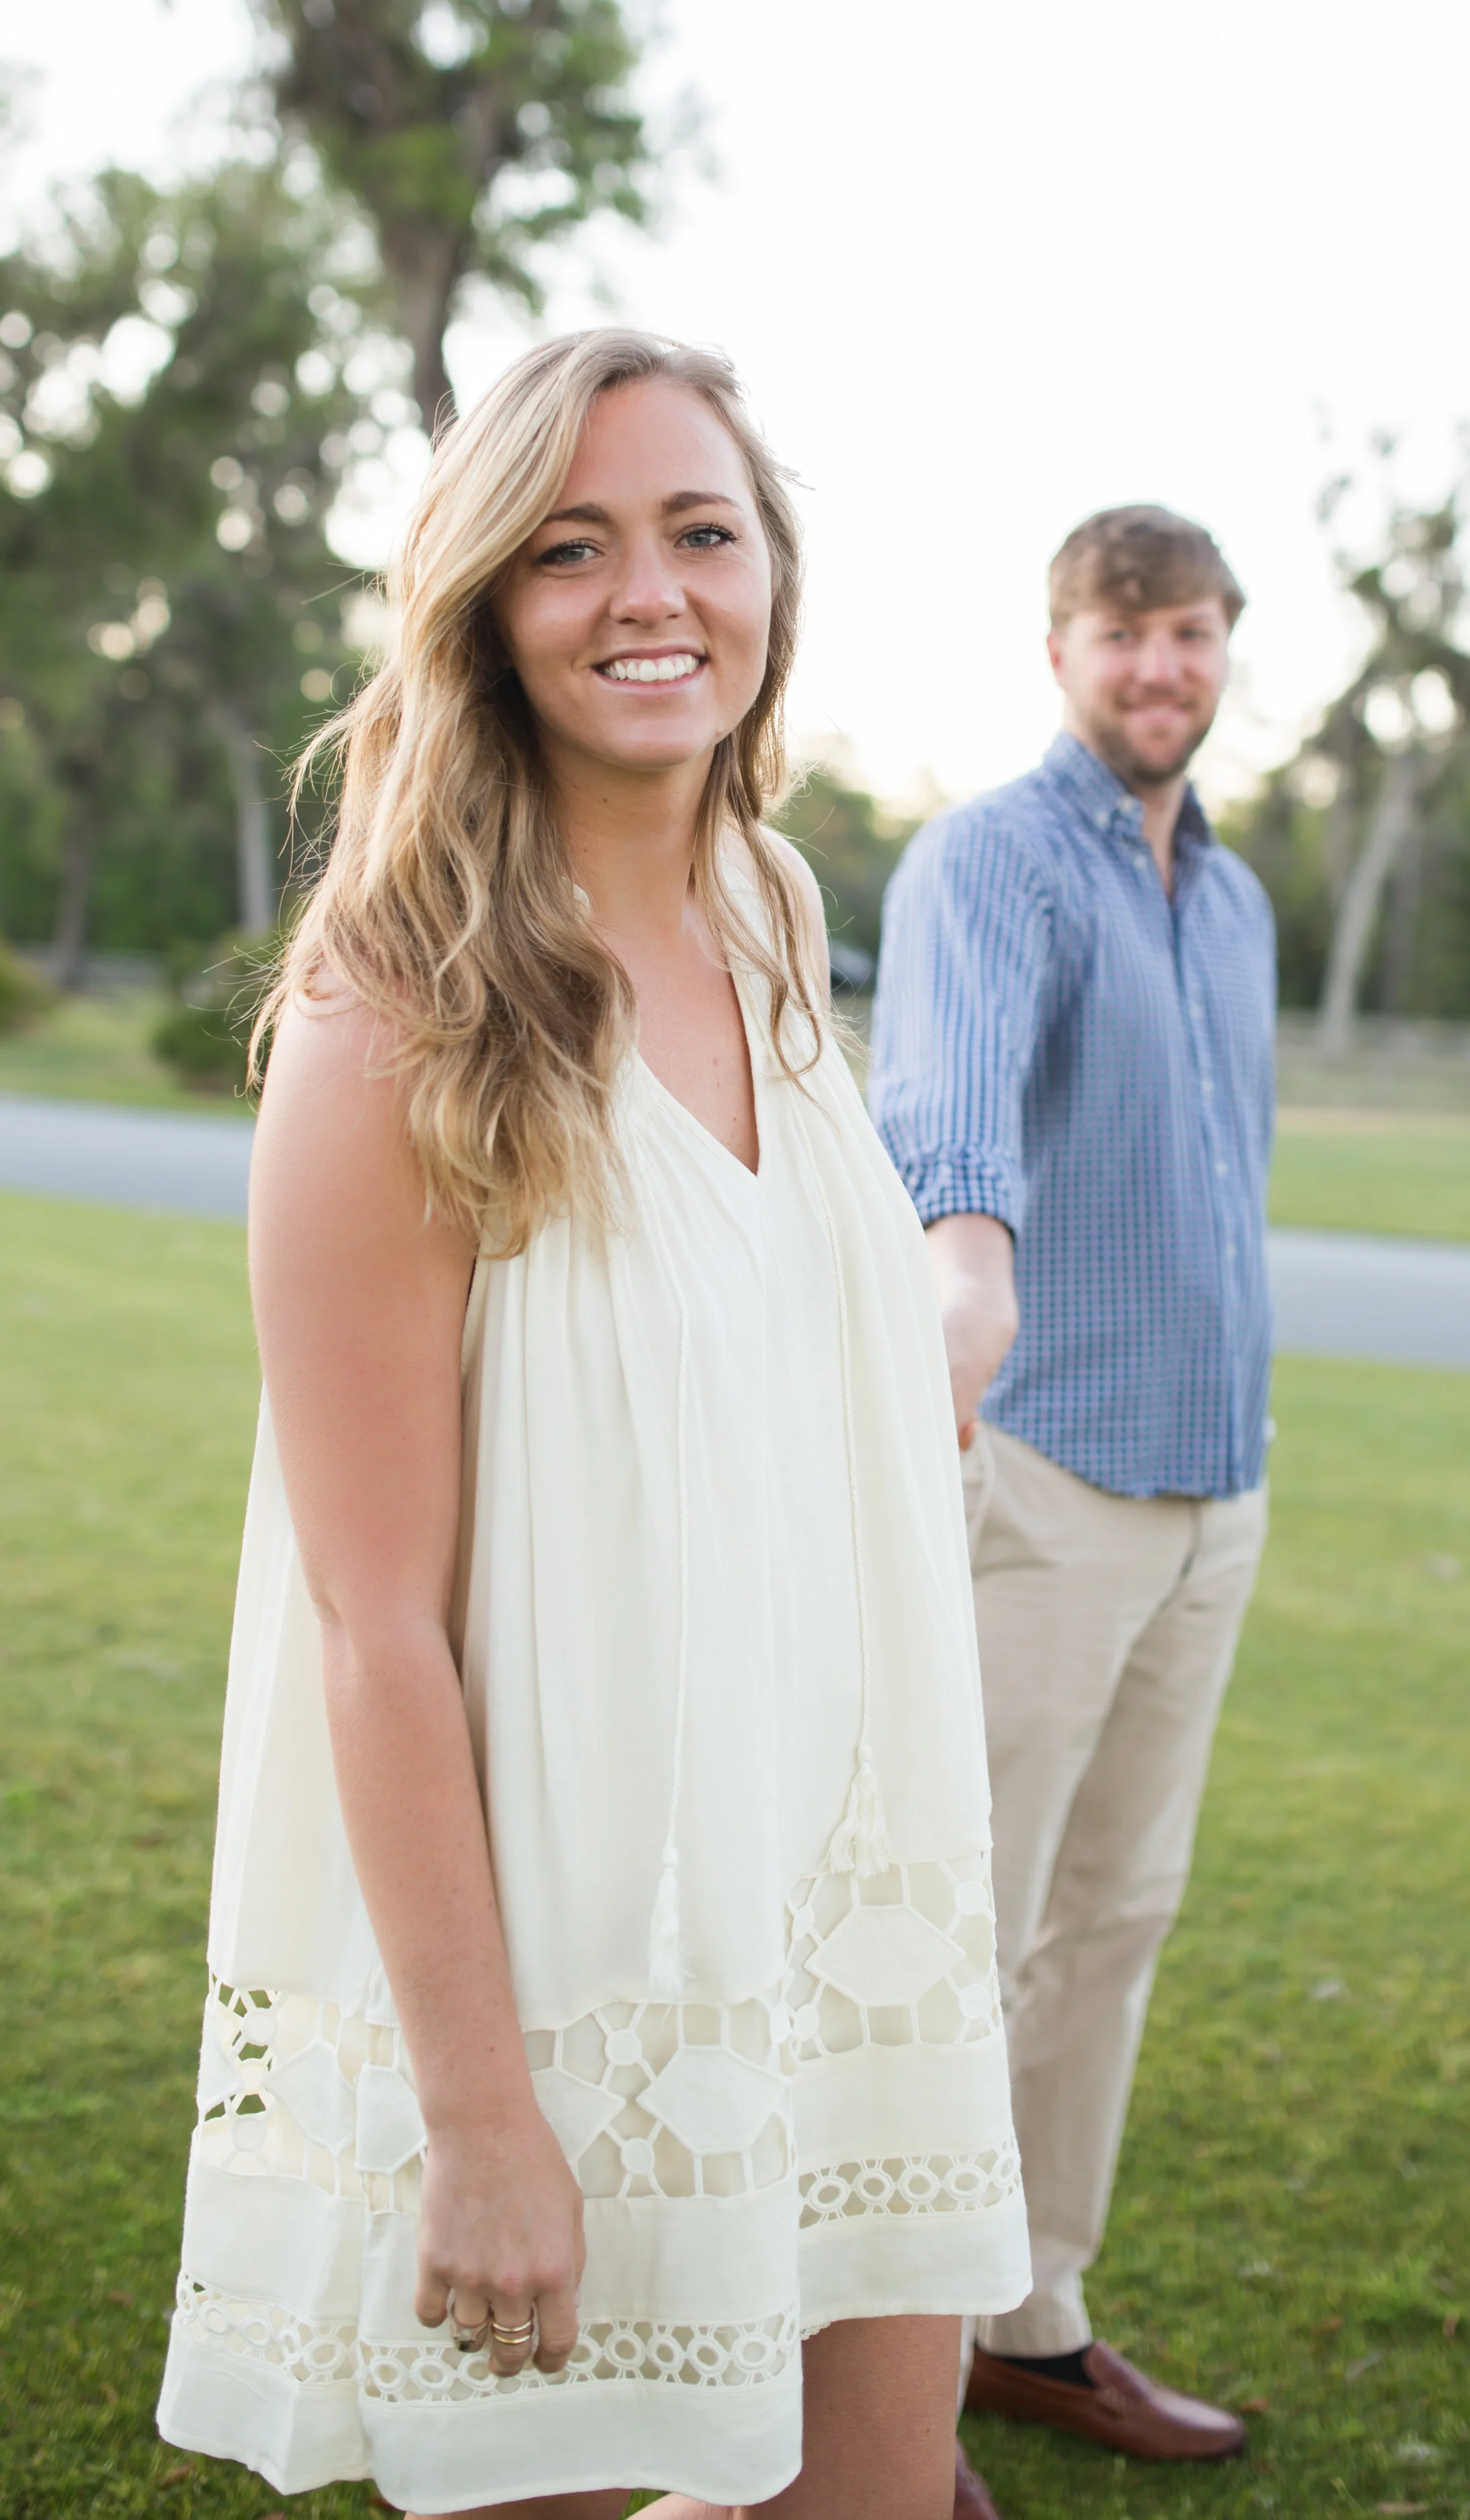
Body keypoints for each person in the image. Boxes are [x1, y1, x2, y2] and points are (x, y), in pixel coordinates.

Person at [156, 328, 1028, 2520]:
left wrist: (907, 1323)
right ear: (481, 611)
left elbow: (742, 1320)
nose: (650, 592)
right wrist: (478, 2115)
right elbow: (373, 1619)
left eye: (698, 531)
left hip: (832, 1925)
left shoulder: (773, 913)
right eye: (570, 547)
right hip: (562, 1981)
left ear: (770, 582)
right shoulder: (397, 1009)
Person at [870, 506, 1275, 2516]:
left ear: (1222, 652)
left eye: (1189, 634)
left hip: (1215, 1481)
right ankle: (881, 2397)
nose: (1158, 670)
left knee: (1111, 1919)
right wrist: (966, 1264)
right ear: (1059, 652)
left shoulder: (1238, 899)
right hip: (1040, 1471)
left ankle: (1026, 2318)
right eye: (1123, 636)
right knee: (967, 1929)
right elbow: (941, 1095)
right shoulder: (991, 860)